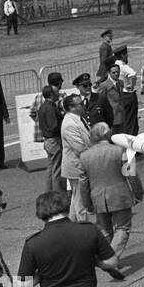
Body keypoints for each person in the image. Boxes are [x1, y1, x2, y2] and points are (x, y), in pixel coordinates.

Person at [72, 123, 137, 262]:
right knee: (122, 228)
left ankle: (102, 257)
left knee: (105, 231)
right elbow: (131, 174)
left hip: (98, 198)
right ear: (107, 134)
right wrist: (137, 193)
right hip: (119, 196)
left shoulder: (84, 156)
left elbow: (83, 184)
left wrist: (87, 203)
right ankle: (109, 260)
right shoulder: (120, 150)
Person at [60, 91, 95, 224]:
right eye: (80, 104)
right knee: (81, 198)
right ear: (71, 107)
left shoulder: (78, 118)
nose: (83, 105)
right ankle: (82, 225)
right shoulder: (70, 124)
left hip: (79, 164)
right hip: (76, 165)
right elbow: (79, 148)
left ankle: (72, 223)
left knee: (76, 197)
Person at [37, 84, 64, 193]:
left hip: (48, 140)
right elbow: (53, 126)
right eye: (57, 92)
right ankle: (58, 193)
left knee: (51, 168)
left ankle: (49, 192)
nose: (59, 94)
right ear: (52, 94)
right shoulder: (50, 108)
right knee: (57, 169)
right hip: (54, 140)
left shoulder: (43, 106)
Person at [114, 45, 139, 135]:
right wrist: (131, 86)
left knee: (124, 119)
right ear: (122, 55)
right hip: (128, 94)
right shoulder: (123, 66)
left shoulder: (114, 66)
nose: (127, 56)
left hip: (119, 94)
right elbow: (133, 74)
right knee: (131, 120)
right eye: (126, 54)